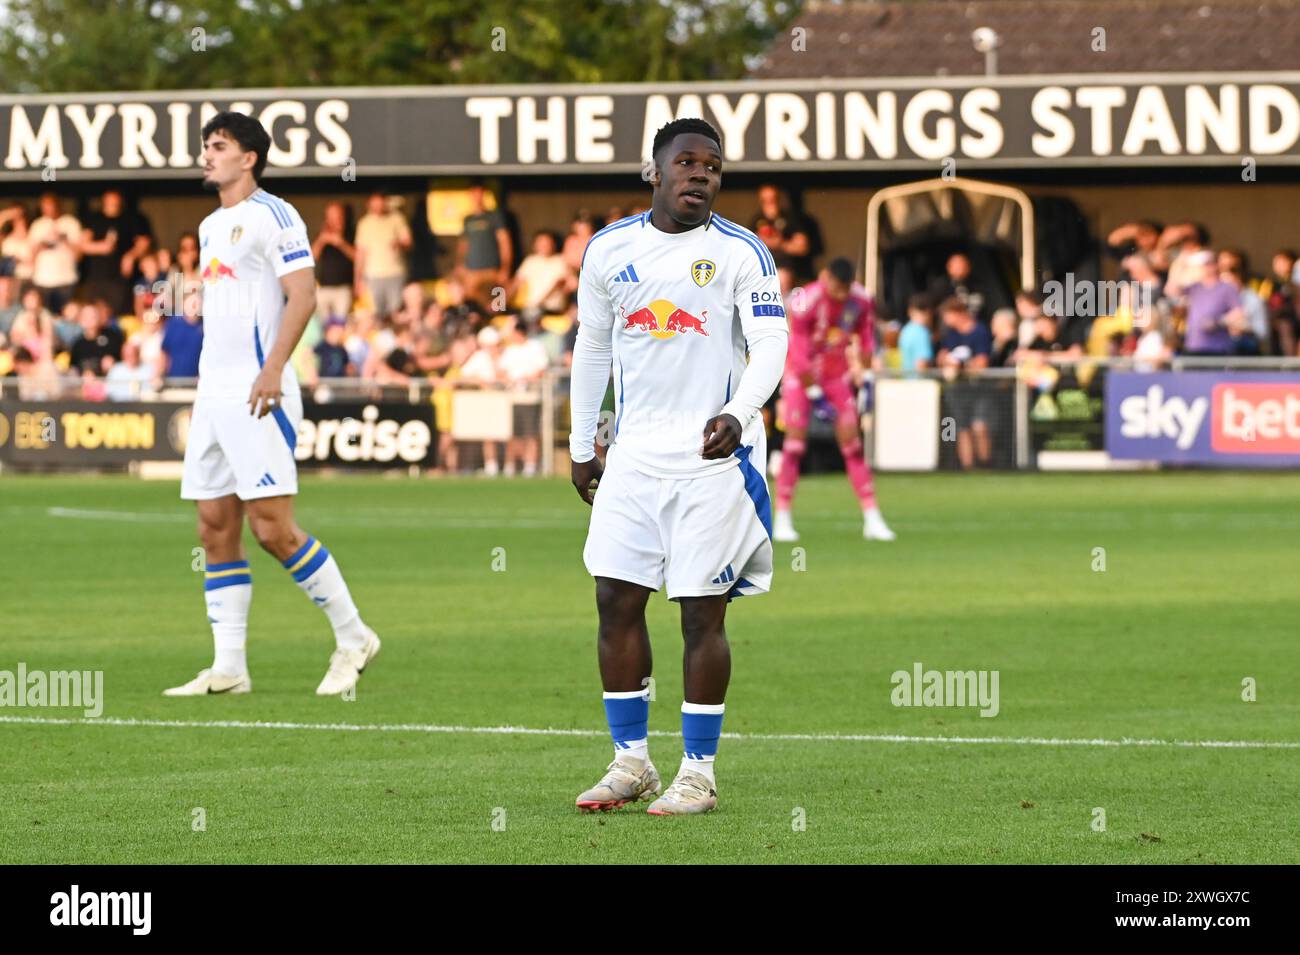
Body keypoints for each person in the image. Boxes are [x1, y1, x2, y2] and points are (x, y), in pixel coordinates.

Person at [567, 117, 788, 815]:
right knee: (615, 601)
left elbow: (771, 342)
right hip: (633, 458)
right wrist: (581, 444)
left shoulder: (742, 252)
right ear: (654, 171)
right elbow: (591, 350)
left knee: (700, 612)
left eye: (713, 166)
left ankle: (699, 772)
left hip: (711, 462)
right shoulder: (608, 251)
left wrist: (740, 411)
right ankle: (632, 762)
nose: (701, 174)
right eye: (687, 162)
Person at [163, 111, 378, 699]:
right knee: (213, 528)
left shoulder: (275, 214)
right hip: (214, 393)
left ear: (248, 157)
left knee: (273, 530)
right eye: (206, 146)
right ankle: (229, 666)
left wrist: (273, 368)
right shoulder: (210, 226)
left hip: (261, 391)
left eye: (218, 146)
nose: (207, 155)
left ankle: (353, 635)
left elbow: (302, 295)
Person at [773, 257, 894, 543]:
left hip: (836, 376)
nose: (840, 295)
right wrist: (813, 393)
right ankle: (782, 517)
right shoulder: (805, 299)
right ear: (825, 276)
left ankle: (872, 518)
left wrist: (866, 377)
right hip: (801, 378)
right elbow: (798, 350)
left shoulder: (861, 300)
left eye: (845, 289)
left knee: (852, 446)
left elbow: (865, 339)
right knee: (794, 446)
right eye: (837, 288)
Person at [936, 297, 993, 470]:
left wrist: (962, 366)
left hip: (978, 389)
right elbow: (941, 357)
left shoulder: (980, 331)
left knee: (980, 427)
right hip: (958, 390)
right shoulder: (951, 334)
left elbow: (982, 362)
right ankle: (968, 467)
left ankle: (985, 465)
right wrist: (948, 362)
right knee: (961, 428)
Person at [80, 188, 152, 314]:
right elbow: (83, 244)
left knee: (120, 313)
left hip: (121, 280)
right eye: (110, 201)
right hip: (97, 278)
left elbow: (144, 242)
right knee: (96, 312)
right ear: (104, 201)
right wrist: (101, 247)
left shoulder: (131, 218)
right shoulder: (94, 219)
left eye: (116, 201)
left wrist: (131, 256)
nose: (113, 204)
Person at [354, 192, 410, 320]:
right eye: (375, 203)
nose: (378, 207)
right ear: (369, 204)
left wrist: (399, 244)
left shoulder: (397, 218)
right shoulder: (364, 223)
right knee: (375, 314)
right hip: (373, 275)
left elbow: (407, 241)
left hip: (395, 273)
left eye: (380, 203)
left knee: (395, 313)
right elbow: (361, 253)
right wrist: (357, 280)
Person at [457, 182, 512, 306]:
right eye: (473, 194)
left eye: (479, 194)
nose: (476, 197)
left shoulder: (495, 216)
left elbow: (505, 242)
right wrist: (460, 264)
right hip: (472, 271)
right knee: (472, 304)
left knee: (498, 304)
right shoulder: (468, 219)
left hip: (491, 270)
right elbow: (463, 243)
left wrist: (505, 268)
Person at [28, 193, 81, 314]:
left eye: (52, 205)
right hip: (43, 280)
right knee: (44, 315)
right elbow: (31, 255)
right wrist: (42, 244)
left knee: (67, 315)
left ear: (58, 205)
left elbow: (79, 255)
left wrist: (63, 238)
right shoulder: (37, 225)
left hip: (66, 280)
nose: (49, 208)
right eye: (45, 206)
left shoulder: (70, 222)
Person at [312, 201, 355, 321]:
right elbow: (312, 257)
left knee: (341, 322)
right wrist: (321, 240)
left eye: (337, 216)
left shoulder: (351, 233)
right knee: (323, 324)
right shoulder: (322, 235)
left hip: (344, 288)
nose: (335, 220)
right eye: (331, 216)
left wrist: (341, 243)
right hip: (324, 288)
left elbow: (358, 258)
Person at [898, 293, 935, 374]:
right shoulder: (922, 332)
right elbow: (922, 363)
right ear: (929, 312)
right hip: (919, 382)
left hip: (907, 381)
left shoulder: (906, 330)